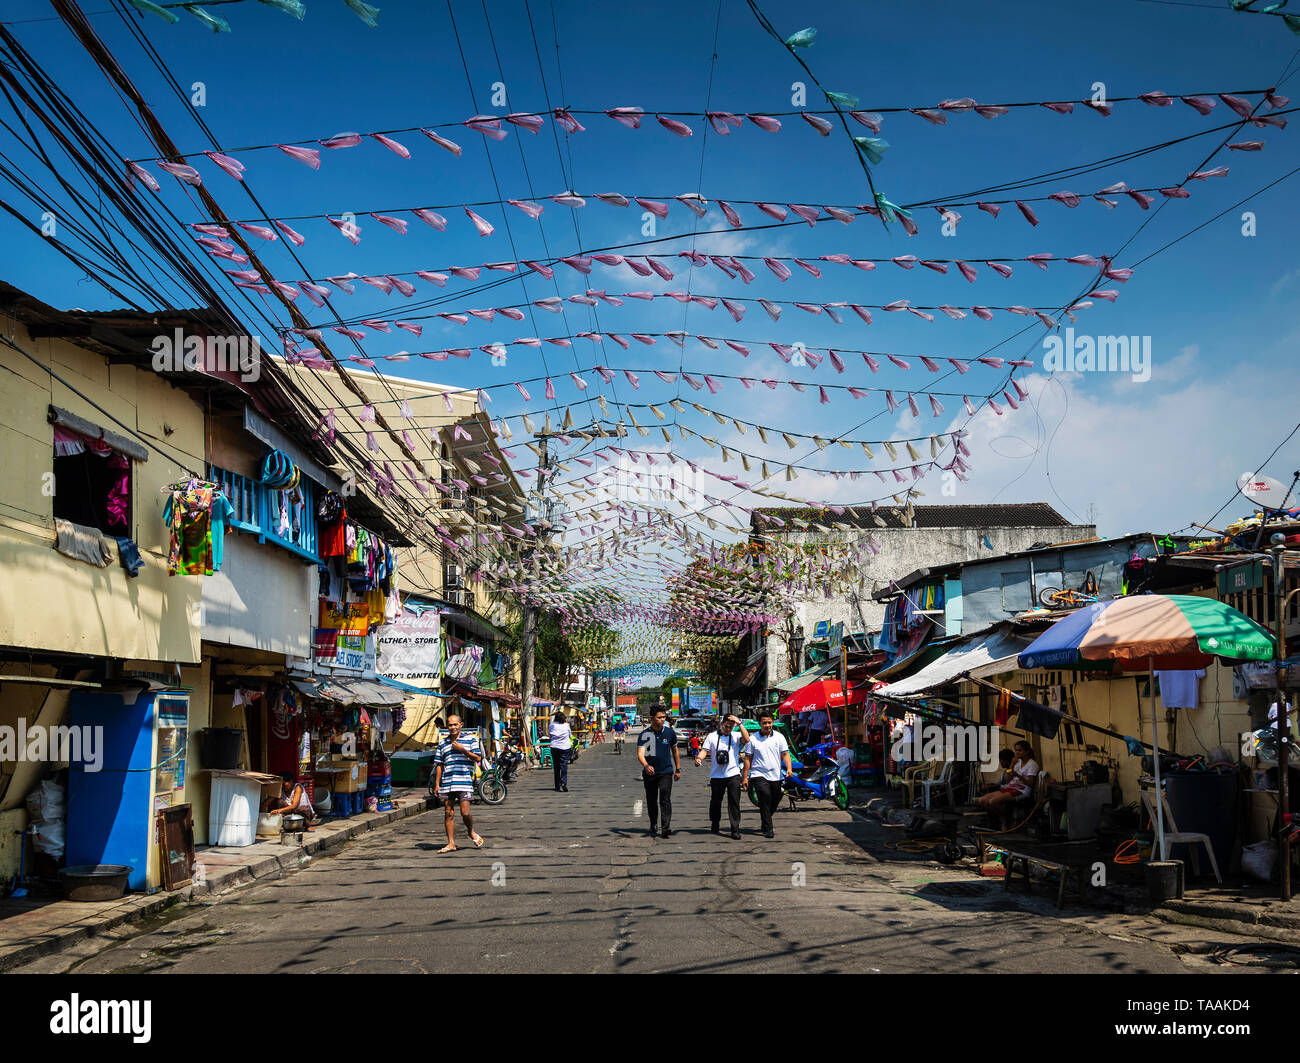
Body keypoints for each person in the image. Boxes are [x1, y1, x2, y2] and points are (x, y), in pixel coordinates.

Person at [432, 714, 485, 853]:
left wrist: (462, 750)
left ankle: (470, 831)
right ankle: (451, 843)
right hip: (448, 783)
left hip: (464, 782)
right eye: (450, 725)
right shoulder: (443, 743)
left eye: (455, 724)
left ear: (461, 725)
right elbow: (439, 764)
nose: (453, 727)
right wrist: (437, 784)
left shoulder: (470, 740)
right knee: (448, 813)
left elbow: (478, 757)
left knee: (465, 812)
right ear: (447, 726)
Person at [695, 713, 750, 838]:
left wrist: (740, 723)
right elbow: (705, 750)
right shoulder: (712, 736)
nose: (728, 729)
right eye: (726, 726)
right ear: (721, 724)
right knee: (715, 801)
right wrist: (699, 759)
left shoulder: (736, 736)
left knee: (734, 802)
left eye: (730, 727)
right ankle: (715, 823)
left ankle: (735, 829)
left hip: (733, 774)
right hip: (717, 775)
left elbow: (747, 740)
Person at [741, 712, 793, 839]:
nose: (767, 725)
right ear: (759, 724)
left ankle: (765, 821)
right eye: (764, 723)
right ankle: (768, 829)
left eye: (769, 722)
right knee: (765, 798)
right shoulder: (752, 739)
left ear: (773, 723)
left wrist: (789, 769)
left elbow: (785, 754)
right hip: (758, 774)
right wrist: (745, 777)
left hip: (776, 775)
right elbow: (748, 758)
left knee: (775, 800)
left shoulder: (779, 737)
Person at [637, 708, 680, 837]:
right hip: (650, 773)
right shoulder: (645, 734)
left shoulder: (670, 733)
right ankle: (653, 823)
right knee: (651, 800)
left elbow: (675, 751)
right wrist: (646, 765)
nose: (662, 720)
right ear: (652, 718)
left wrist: (677, 769)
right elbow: (640, 753)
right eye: (659, 717)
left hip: (666, 771)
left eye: (664, 717)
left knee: (665, 799)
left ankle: (666, 827)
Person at [977, 741, 1040, 816]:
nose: (1017, 752)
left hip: (1022, 790)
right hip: (1011, 787)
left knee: (993, 802)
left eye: (1019, 750)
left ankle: (1005, 821)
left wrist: (1017, 774)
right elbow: (1008, 780)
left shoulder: (1032, 764)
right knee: (982, 800)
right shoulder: (1018, 762)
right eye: (1016, 750)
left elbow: (1030, 784)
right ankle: (998, 820)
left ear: (1027, 752)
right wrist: (1012, 764)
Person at [548, 710, 573, 792]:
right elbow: (570, 736)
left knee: (556, 766)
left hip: (554, 747)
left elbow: (550, 736)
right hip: (565, 747)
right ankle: (563, 782)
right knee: (564, 765)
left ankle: (557, 785)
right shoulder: (566, 726)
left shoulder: (551, 725)